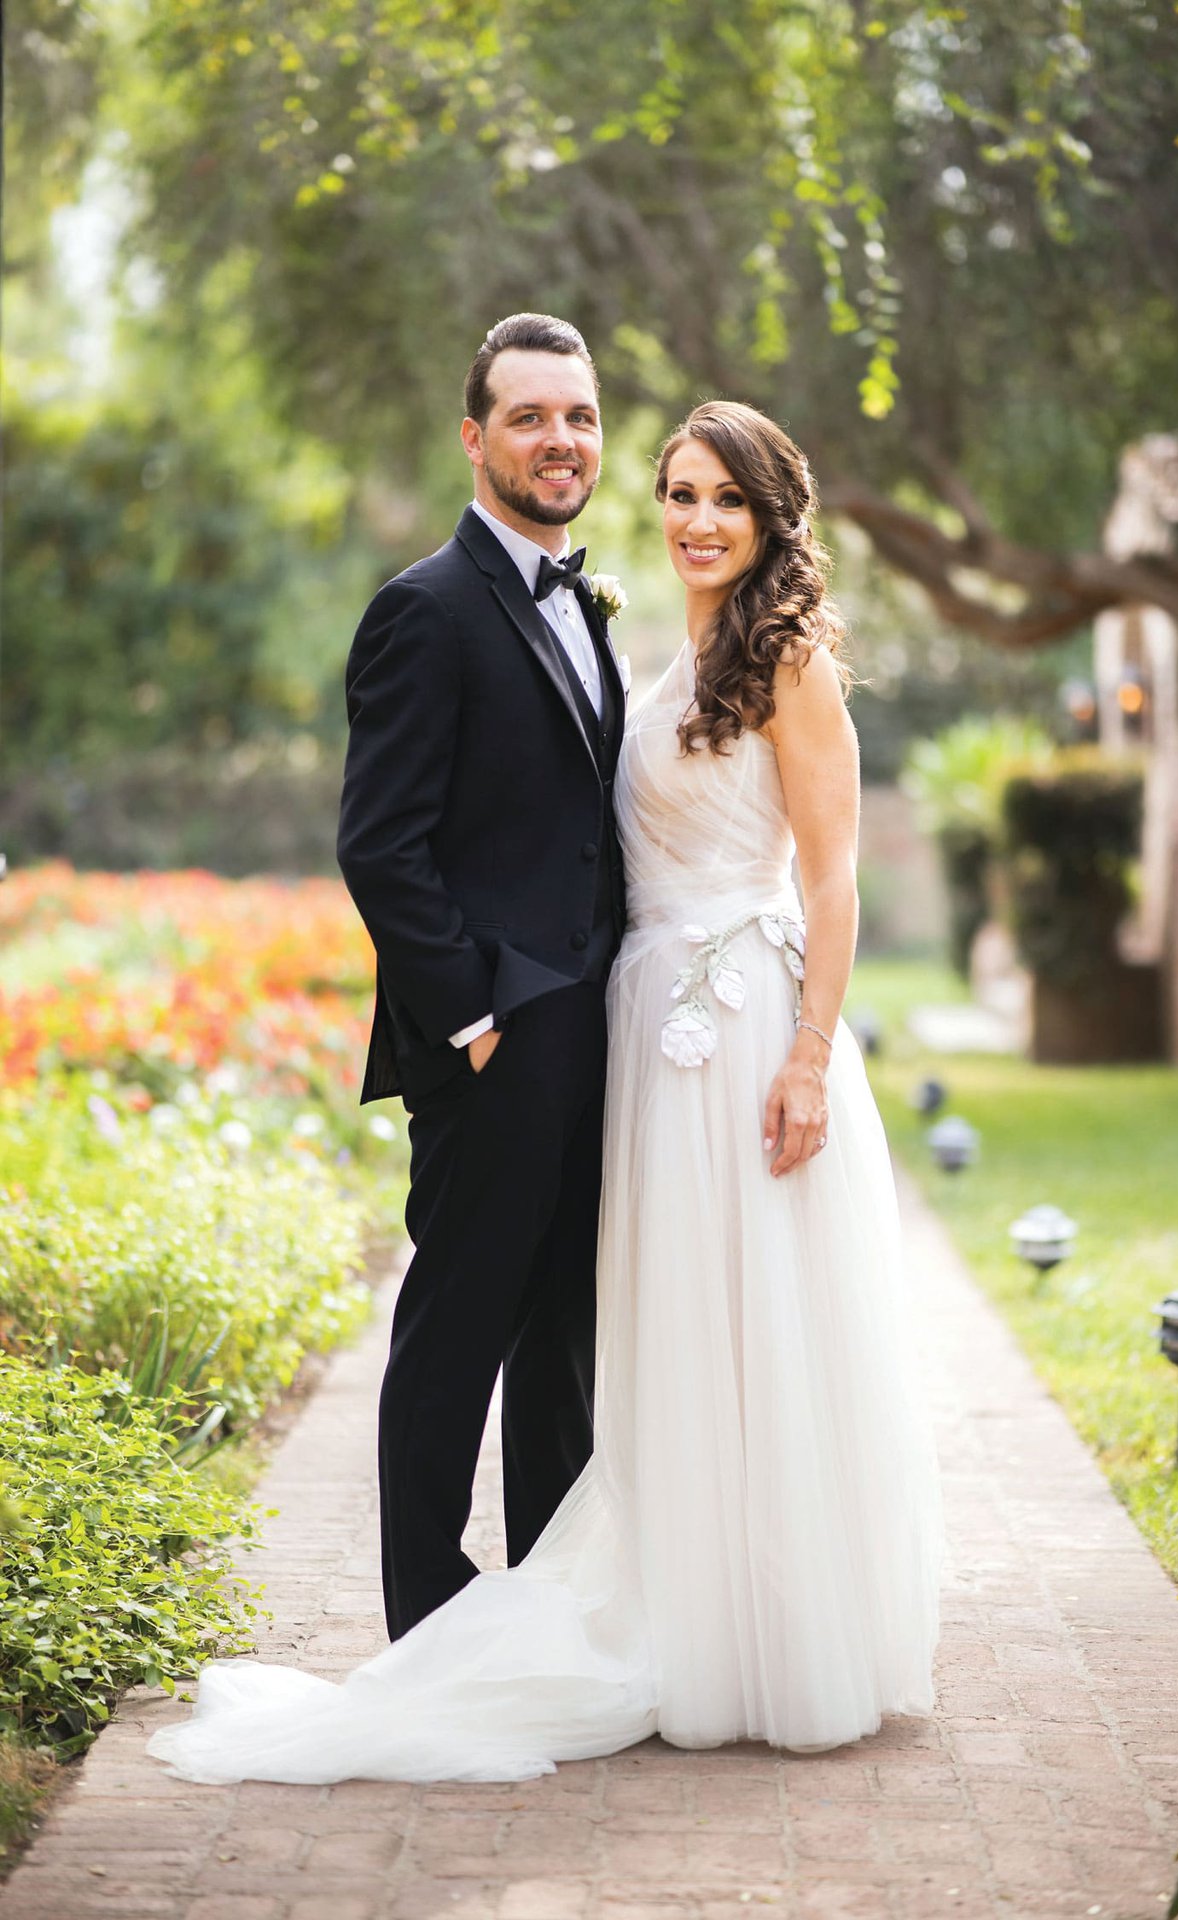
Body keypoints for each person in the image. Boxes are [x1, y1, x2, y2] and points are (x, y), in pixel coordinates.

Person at [146, 399, 945, 1786]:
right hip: (626, 1026)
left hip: (748, 1027)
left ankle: (770, 1628)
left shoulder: (793, 660)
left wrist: (811, 1053)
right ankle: (641, 1610)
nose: (699, 519)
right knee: (652, 1326)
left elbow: (831, 878)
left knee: (753, 1322)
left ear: (772, 522)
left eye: (729, 502)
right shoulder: (651, 644)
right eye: (682, 493)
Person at [333, 311, 626, 1641]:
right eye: (529, 415)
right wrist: (474, 1016)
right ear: (475, 436)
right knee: (456, 1336)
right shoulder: (425, 609)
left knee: (562, 1338)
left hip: (597, 1037)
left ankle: (552, 1615)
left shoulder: (584, 598)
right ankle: (432, 1624)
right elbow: (380, 847)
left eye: (577, 415)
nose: (557, 438)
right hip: (495, 1043)